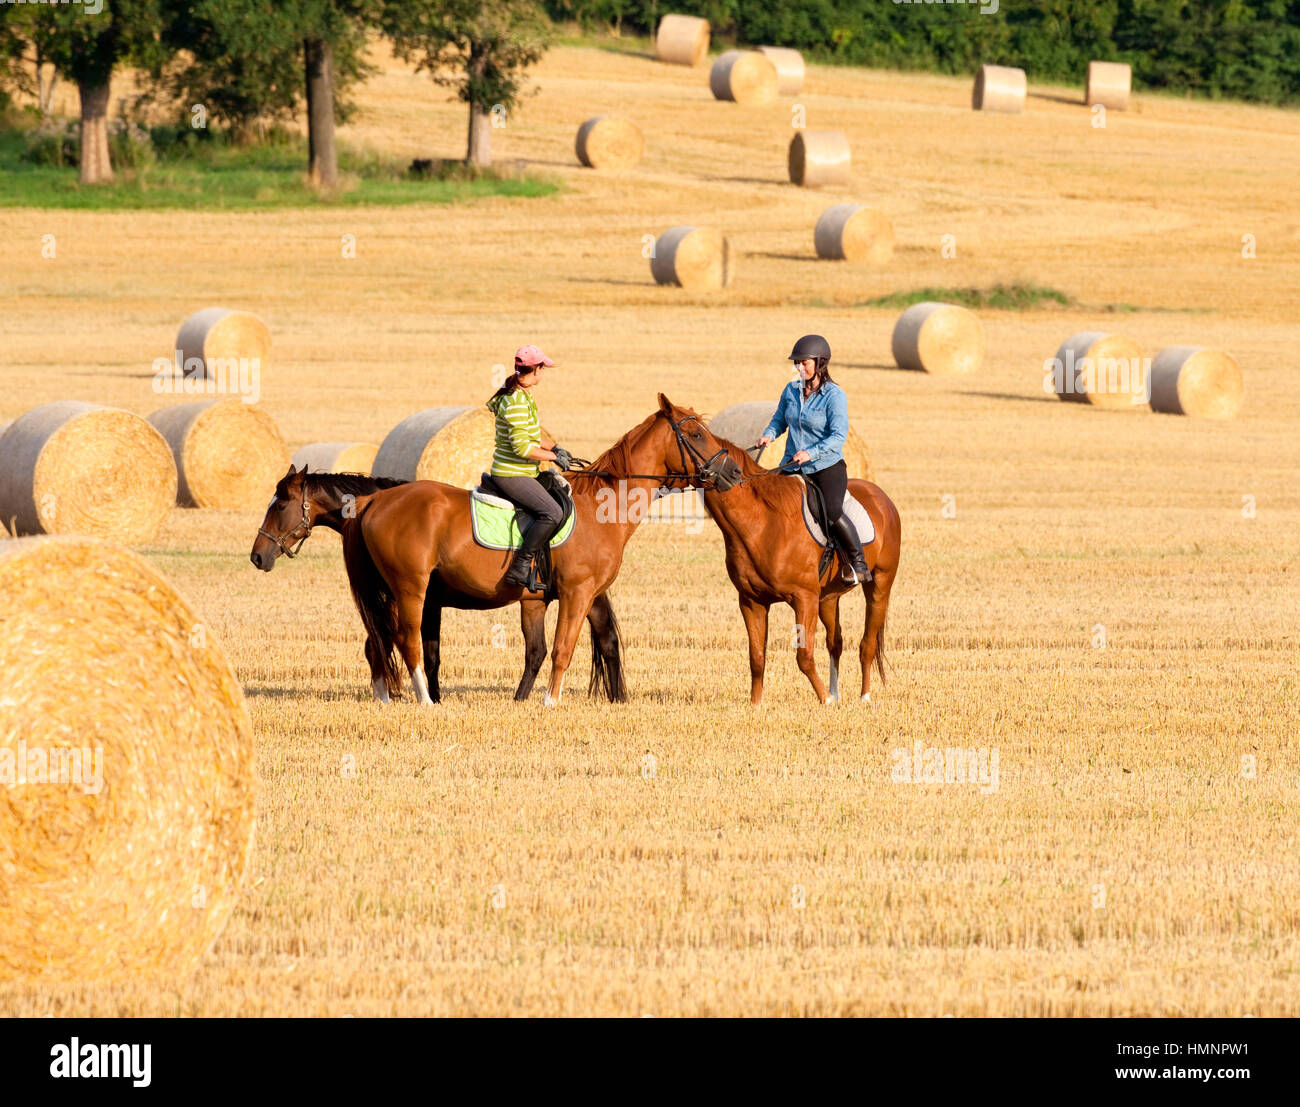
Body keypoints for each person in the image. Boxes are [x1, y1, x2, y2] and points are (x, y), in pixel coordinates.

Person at [755, 334, 870, 586]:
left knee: (830, 510)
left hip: (826, 467)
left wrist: (811, 452)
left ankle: (858, 563)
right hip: (793, 466)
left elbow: (838, 436)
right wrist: (768, 435)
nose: (799, 368)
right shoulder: (790, 390)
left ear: (820, 363)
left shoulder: (834, 396)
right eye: (797, 363)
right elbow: (779, 420)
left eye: (804, 363)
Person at [486, 345, 576, 587]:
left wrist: (554, 448)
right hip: (511, 475)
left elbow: (531, 433)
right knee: (553, 512)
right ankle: (520, 566)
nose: (543, 373)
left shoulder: (521, 394)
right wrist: (552, 458)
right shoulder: (515, 401)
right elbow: (522, 449)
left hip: (525, 472)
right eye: (542, 368)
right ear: (535, 370)